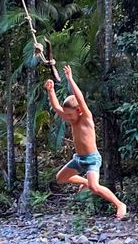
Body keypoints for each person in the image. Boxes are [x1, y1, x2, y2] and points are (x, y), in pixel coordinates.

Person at [45, 64, 127, 219]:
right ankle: (85, 182)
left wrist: (70, 79)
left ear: (79, 111)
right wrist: (50, 91)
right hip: (78, 159)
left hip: (91, 159)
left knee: (95, 187)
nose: (67, 117)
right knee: (60, 178)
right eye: (66, 115)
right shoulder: (72, 119)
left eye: (70, 114)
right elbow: (56, 107)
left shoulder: (86, 118)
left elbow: (80, 98)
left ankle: (119, 204)